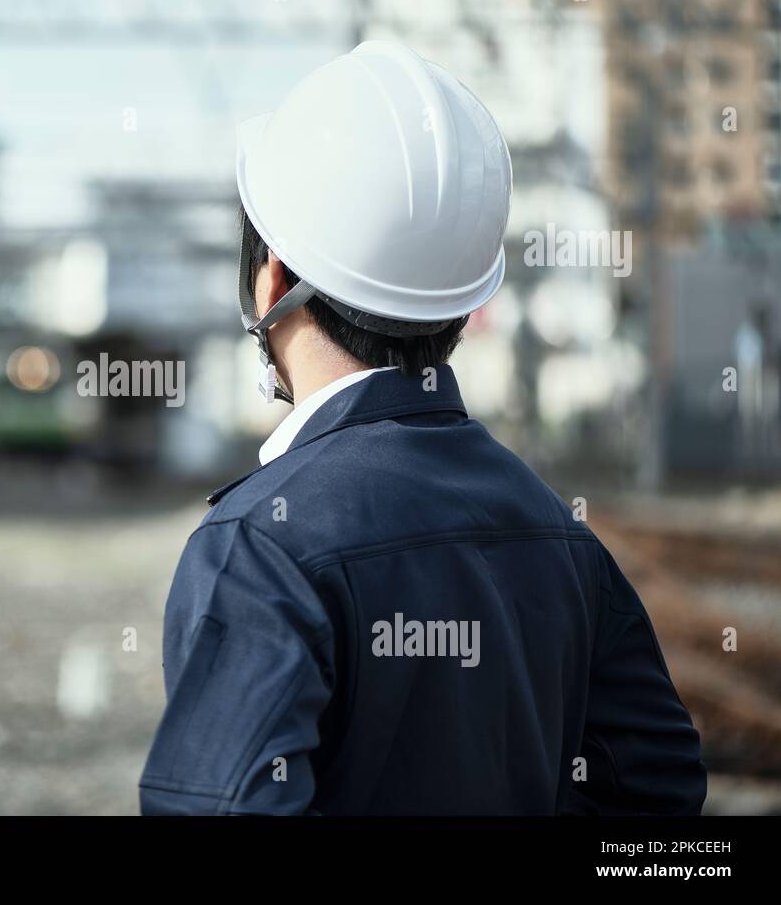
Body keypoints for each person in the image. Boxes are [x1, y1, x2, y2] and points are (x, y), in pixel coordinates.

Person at [139, 41, 706, 815]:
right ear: (460, 304)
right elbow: (657, 787)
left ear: (271, 277)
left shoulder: (261, 547)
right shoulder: (558, 530)